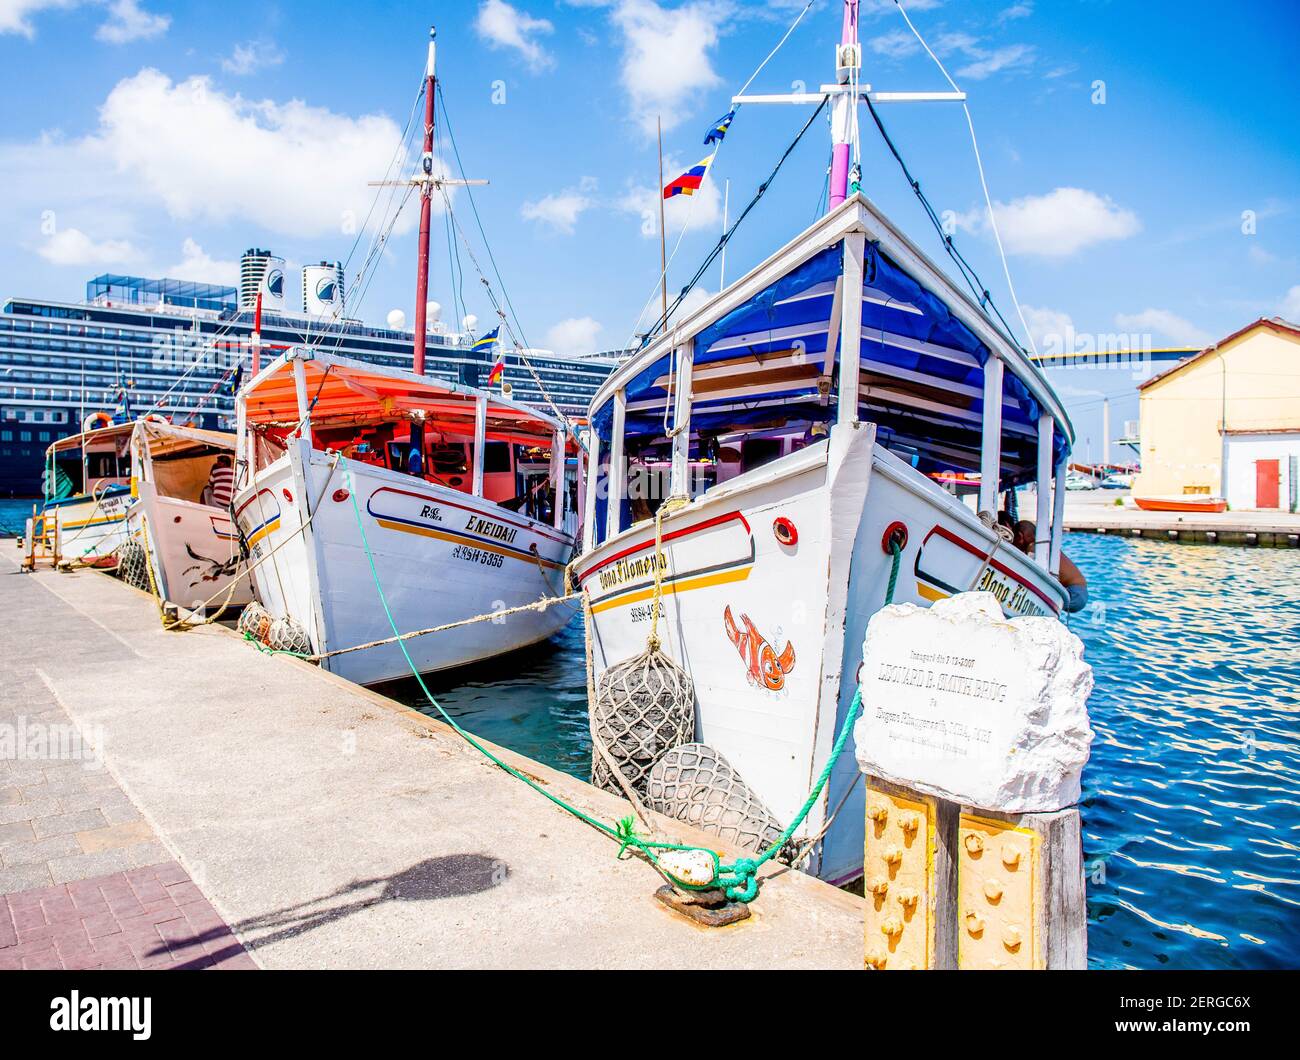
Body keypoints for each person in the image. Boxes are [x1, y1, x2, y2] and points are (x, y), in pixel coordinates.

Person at [1013, 519, 1088, 613]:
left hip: (1073, 593)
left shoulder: (1034, 549)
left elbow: (1028, 573)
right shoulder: (1046, 546)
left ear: (1020, 537)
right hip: (1080, 593)